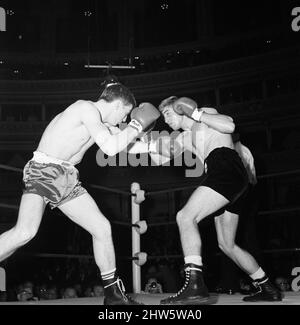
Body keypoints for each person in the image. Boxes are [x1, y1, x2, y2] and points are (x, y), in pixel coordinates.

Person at [0, 77, 160, 305]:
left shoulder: (103, 124)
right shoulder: (84, 108)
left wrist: (160, 147)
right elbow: (110, 147)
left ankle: (113, 295)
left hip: (66, 176)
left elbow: (128, 145)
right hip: (44, 170)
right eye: (125, 114)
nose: (125, 119)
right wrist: (135, 126)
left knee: (102, 228)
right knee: (25, 232)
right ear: (118, 105)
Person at [143, 96, 281, 304]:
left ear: (181, 108)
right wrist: (144, 135)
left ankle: (195, 286)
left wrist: (196, 113)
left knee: (185, 217)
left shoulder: (205, 114)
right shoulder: (185, 138)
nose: (166, 119)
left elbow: (229, 125)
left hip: (225, 167)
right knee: (227, 244)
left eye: (168, 113)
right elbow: (158, 158)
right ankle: (268, 287)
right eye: (163, 116)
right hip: (226, 176)